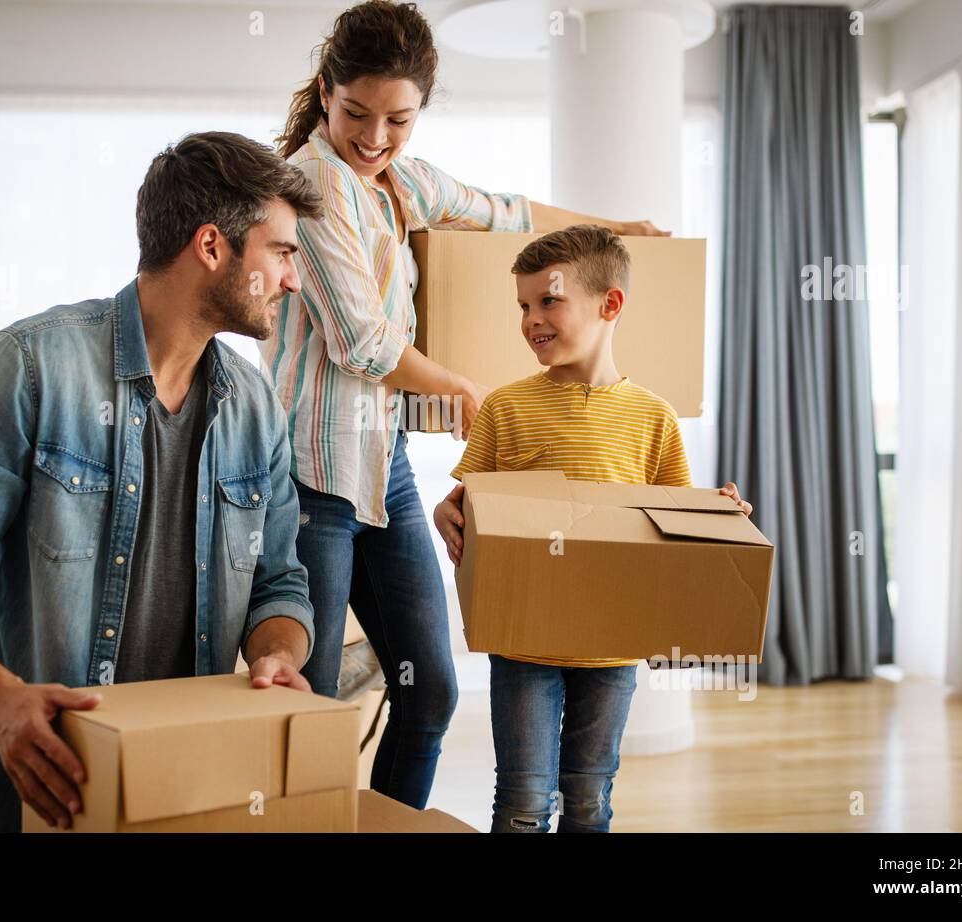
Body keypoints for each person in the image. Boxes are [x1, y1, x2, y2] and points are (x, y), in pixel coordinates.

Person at [263, 0, 671, 809]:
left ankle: (387, 833)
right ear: (325, 90)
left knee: (432, 692)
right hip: (311, 479)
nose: (375, 138)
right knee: (304, 714)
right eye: (356, 114)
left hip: (385, 471)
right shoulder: (310, 184)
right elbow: (364, 343)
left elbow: (505, 212)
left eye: (398, 121)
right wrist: (454, 385)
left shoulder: (400, 184)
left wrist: (612, 228)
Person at [0, 132, 322, 833]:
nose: (295, 280)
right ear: (212, 247)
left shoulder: (256, 406)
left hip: (175, 790)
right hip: (12, 795)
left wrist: (276, 655)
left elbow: (280, 585)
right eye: (283, 253)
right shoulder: (31, 369)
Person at [433, 225, 753, 832]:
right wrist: (441, 511)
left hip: (611, 645)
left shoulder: (653, 416)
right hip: (523, 640)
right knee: (523, 801)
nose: (531, 320)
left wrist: (720, 514)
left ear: (610, 304)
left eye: (548, 301)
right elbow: (469, 501)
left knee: (588, 796)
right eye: (523, 307)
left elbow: (673, 520)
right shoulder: (506, 407)